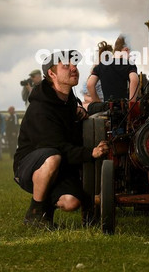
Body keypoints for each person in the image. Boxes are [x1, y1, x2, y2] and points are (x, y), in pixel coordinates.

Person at [13, 50, 109, 229]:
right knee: (52, 157)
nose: (74, 68)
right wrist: (91, 152)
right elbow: (55, 146)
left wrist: (81, 113)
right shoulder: (40, 109)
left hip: (62, 165)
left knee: (71, 202)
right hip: (30, 165)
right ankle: (34, 214)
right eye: (67, 66)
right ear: (52, 73)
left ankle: (46, 212)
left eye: (75, 65)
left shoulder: (68, 100)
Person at [87, 36, 139, 105]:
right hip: (122, 109)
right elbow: (134, 80)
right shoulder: (129, 65)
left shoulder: (101, 65)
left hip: (106, 108)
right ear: (126, 50)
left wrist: (98, 103)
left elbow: (90, 84)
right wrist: (131, 104)